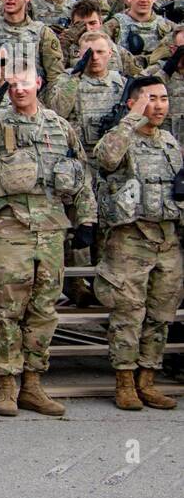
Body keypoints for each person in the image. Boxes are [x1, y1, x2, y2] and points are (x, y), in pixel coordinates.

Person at [0, 66, 96, 417]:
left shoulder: (60, 127)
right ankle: (5, 385)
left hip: (50, 227)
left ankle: (32, 385)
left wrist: (87, 218)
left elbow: (81, 173)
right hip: (8, 226)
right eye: (12, 84)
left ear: (39, 84)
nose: (18, 90)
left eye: (25, 83)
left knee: (44, 310)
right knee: (8, 310)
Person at [91, 76, 181, 411]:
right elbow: (105, 159)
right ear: (133, 103)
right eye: (150, 99)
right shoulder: (122, 137)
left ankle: (148, 379)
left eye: (163, 98)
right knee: (128, 313)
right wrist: (130, 120)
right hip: (130, 238)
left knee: (160, 313)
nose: (158, 106)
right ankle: (125, 382)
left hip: (167, 239)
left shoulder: (170, 141)